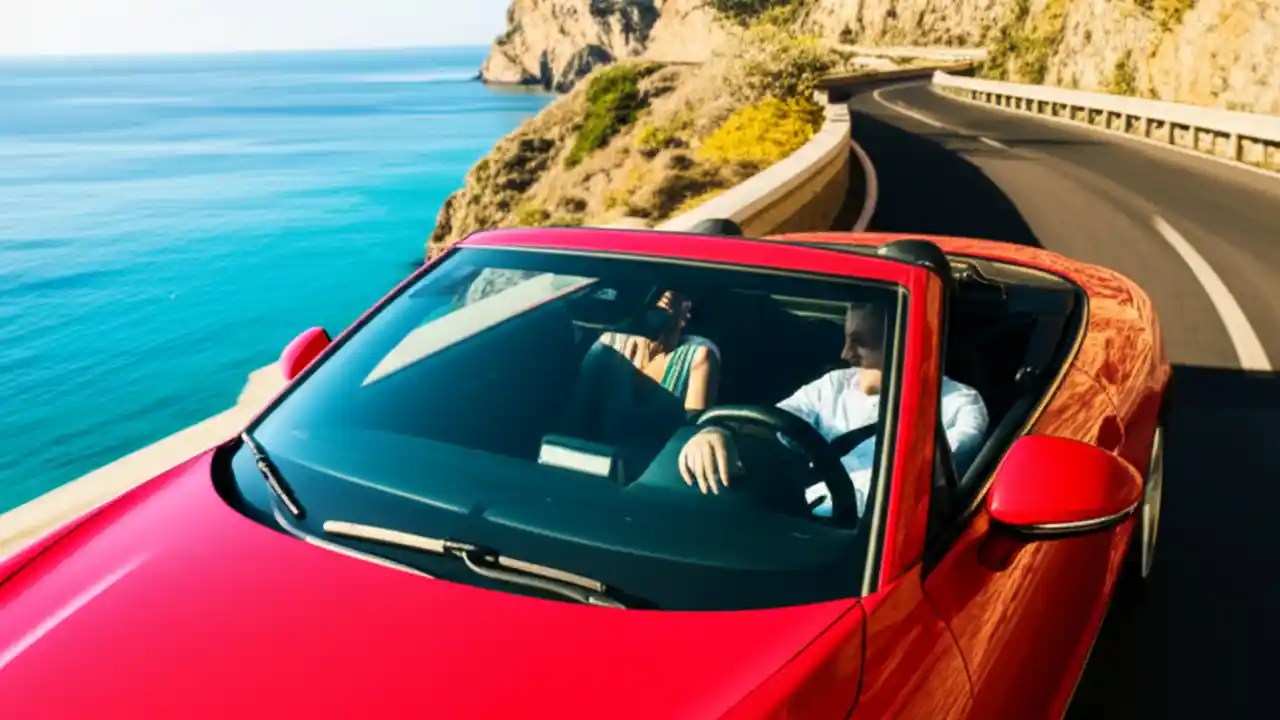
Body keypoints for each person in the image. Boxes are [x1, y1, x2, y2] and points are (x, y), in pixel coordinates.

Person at [677, 303, 988, 517]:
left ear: (906, 343)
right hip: (801, 519)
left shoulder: (960, 407)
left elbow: (918, 486)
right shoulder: (835, 384)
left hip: (869, 541)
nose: (845, 354)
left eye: (860, 343)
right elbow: (779, 418)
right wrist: (721, 431)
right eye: (846, 339)